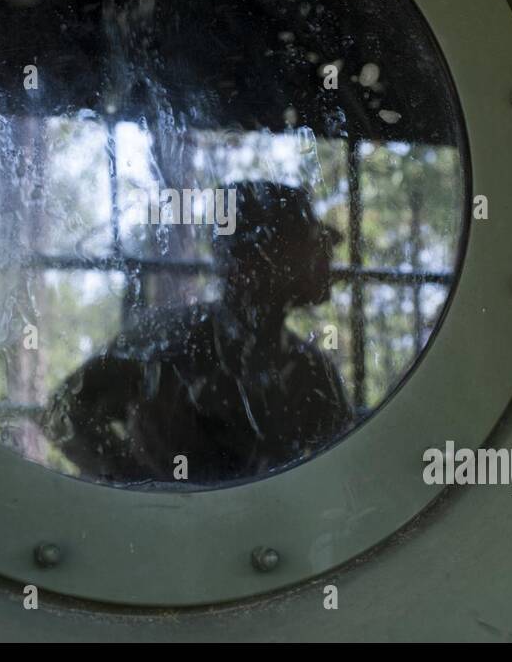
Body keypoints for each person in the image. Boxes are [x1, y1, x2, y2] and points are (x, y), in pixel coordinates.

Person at [43, 181, 354, 484]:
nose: (328, 252)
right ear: (257, 259)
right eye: (311, 240)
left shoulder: (312, 372)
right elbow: (64, 412)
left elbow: (344, 476)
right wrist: (140, 484)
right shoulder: (164, 340)